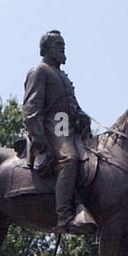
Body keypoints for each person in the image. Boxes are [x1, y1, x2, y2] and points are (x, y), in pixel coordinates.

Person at [22, 30, 97, 234]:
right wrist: (40, 142)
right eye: (58, 45)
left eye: (63, 45)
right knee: (69, 158)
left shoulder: (62, 76)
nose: (63, 49)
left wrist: (82, 117)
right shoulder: (40, 71)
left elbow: (72, 107)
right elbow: (30, 110)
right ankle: (64, 217)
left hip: (68, 127)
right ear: (45, 49)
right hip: (52, 127)